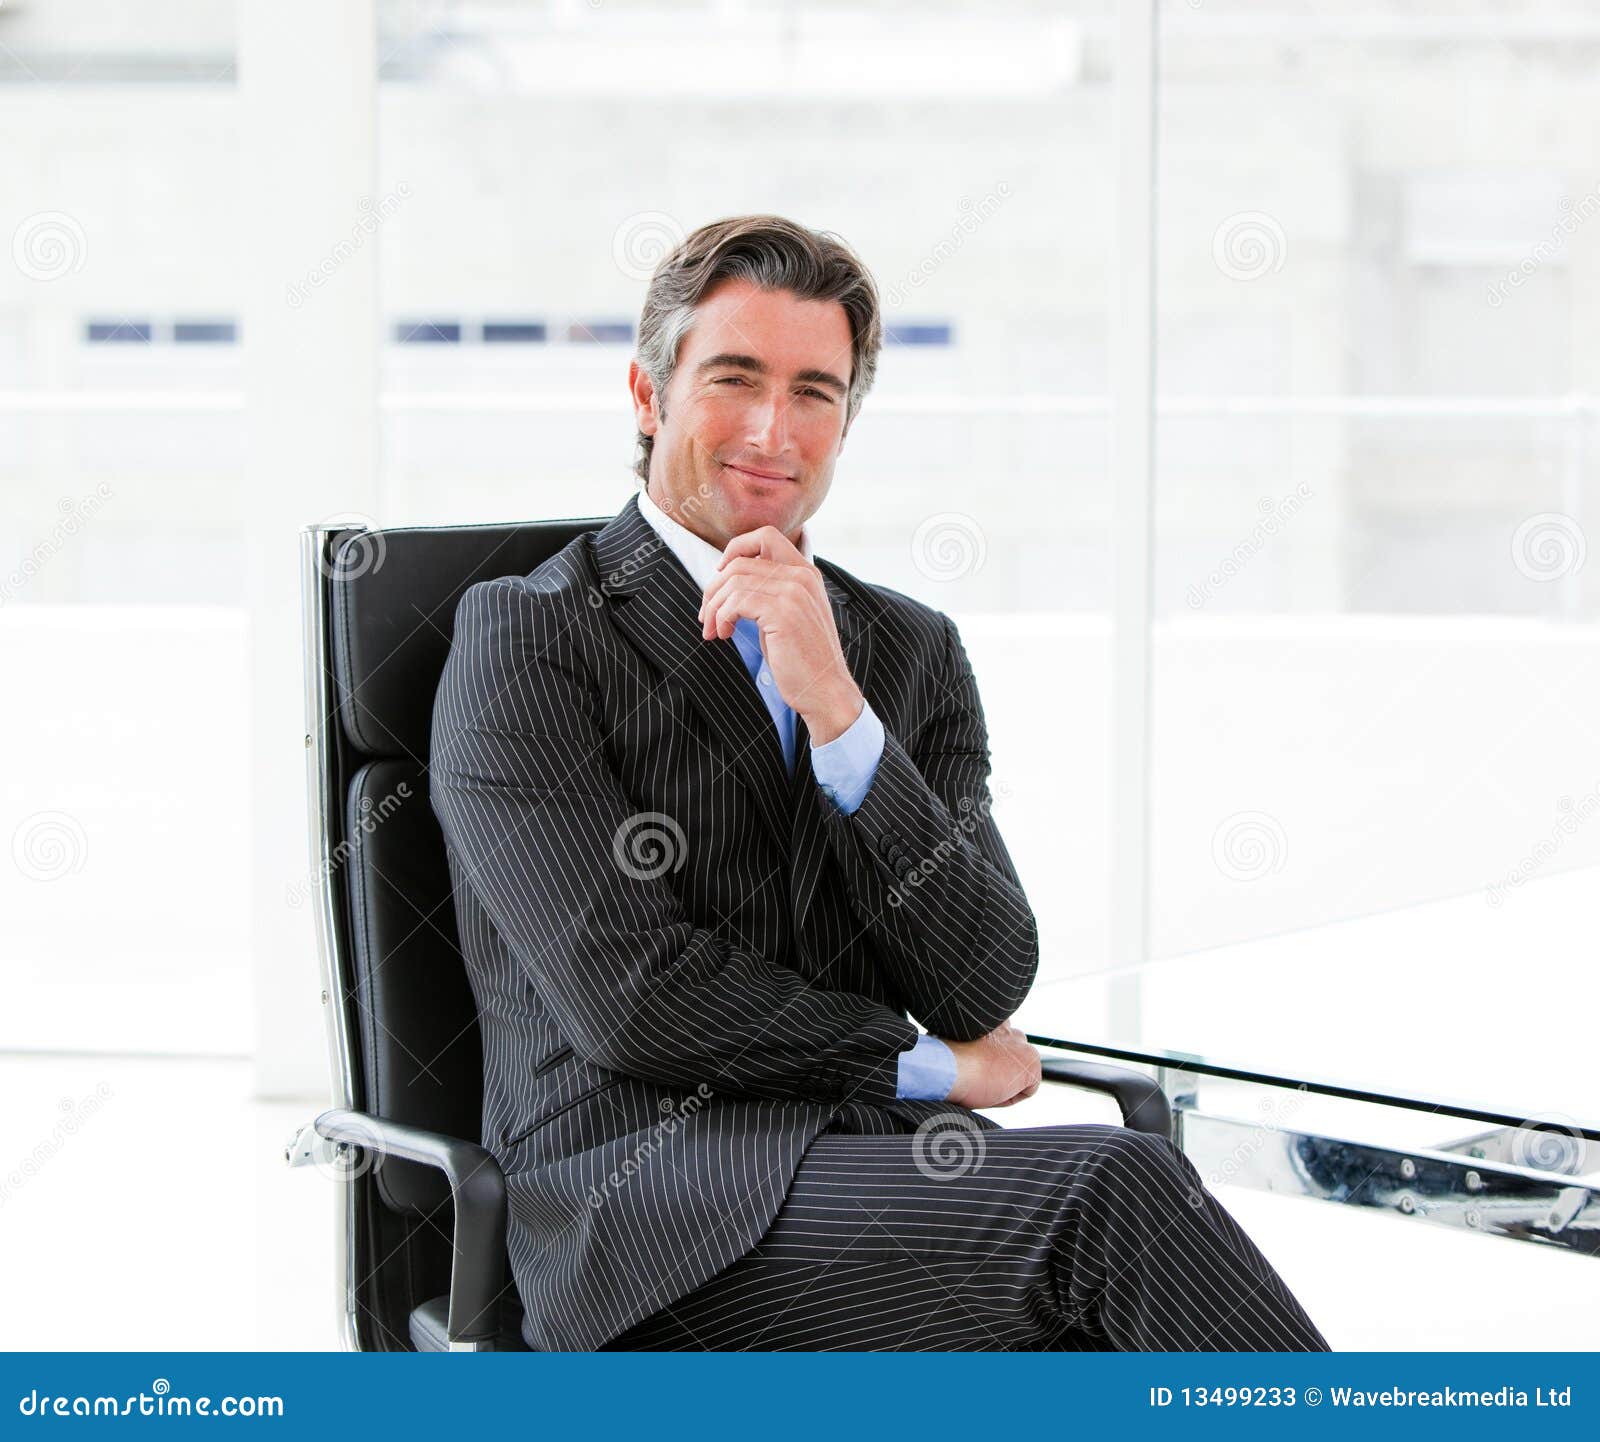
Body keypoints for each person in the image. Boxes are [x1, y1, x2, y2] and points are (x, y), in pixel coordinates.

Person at [429, 213, 1330, 1352]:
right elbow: (635, 997)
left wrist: (841, 717)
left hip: (874, 1174)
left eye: (816, 390)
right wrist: (938, 1067)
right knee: (1106, 1197)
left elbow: (983, 969)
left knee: (1103, 1324)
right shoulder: (532, 635)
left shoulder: (902, 649)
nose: (772, 427)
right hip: (646, 1212)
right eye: (734, 377)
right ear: (648, 393)